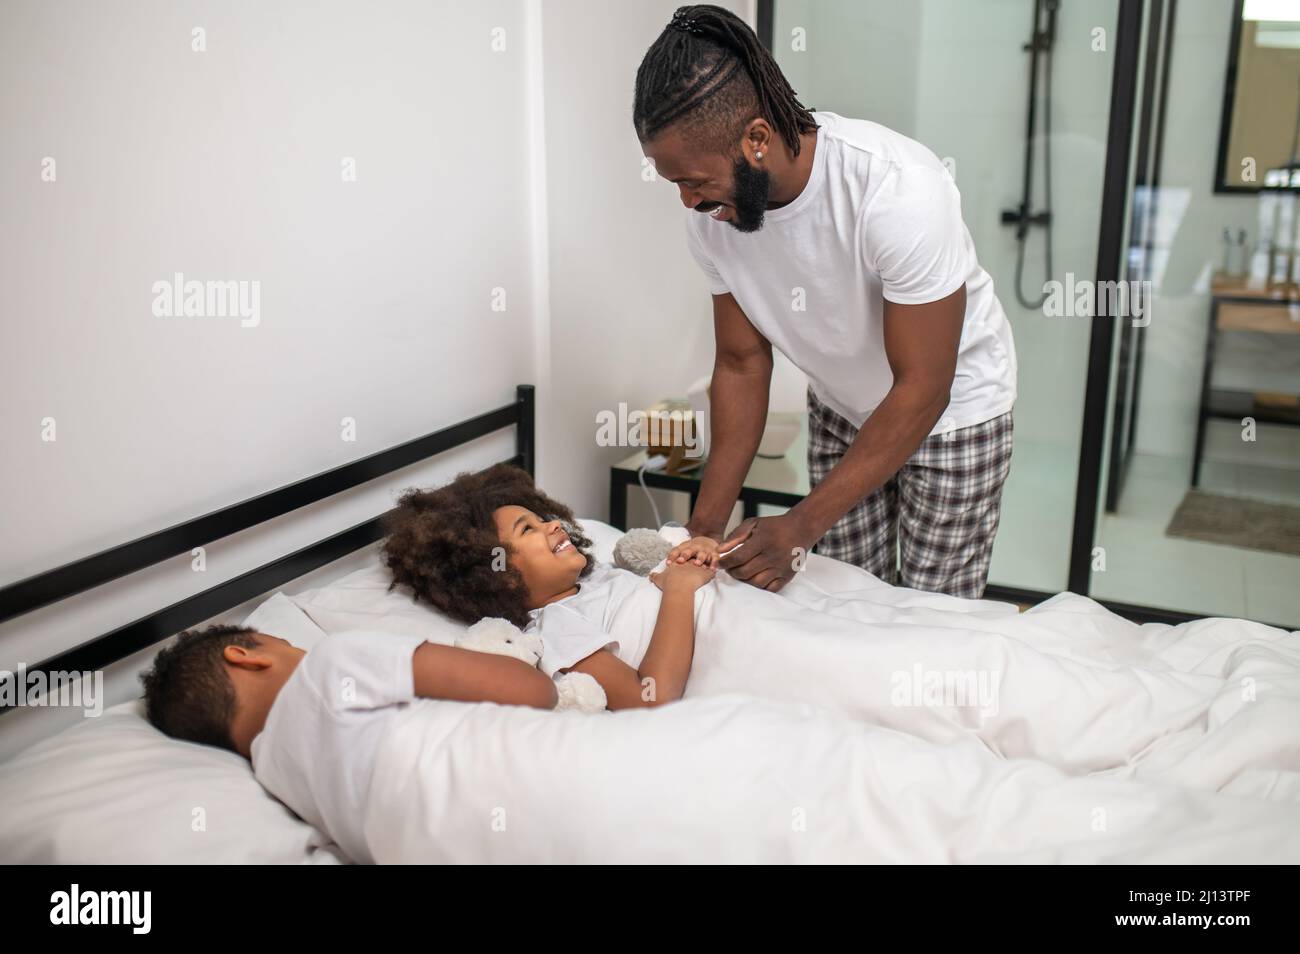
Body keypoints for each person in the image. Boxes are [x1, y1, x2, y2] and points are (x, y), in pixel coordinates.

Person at [634, 5, 1018, 598]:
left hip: (953, 417)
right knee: (843, 602)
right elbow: (742, 363)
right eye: (676, 184)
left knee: (931, 614)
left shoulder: (897, 190)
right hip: (842, 409)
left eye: (694, 181)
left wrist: (800, 526)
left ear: (756, 139)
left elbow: (924, 387)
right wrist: (702, 529)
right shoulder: (712, 219)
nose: (687, 201)